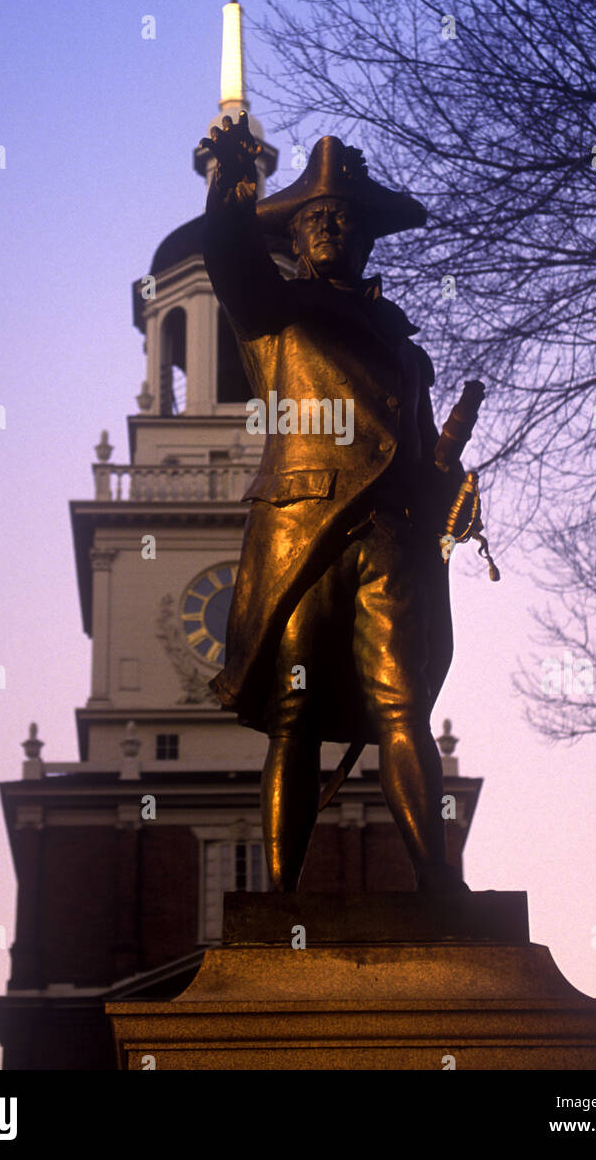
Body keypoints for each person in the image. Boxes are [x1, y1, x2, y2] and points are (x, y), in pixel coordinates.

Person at [201, 113, 467, 894]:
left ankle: (439, 886)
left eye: (342, 219)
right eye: (314, 218)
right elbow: (228, 256)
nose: (327, 228)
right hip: (304, 528)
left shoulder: (406, 350)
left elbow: (414, 454)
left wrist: (449, 491)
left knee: (403, 707)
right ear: (292, 236)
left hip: (392, 536)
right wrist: (229, 186)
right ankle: (280, 899)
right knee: (296, 720)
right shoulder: (273, 315)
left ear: (365, 238)